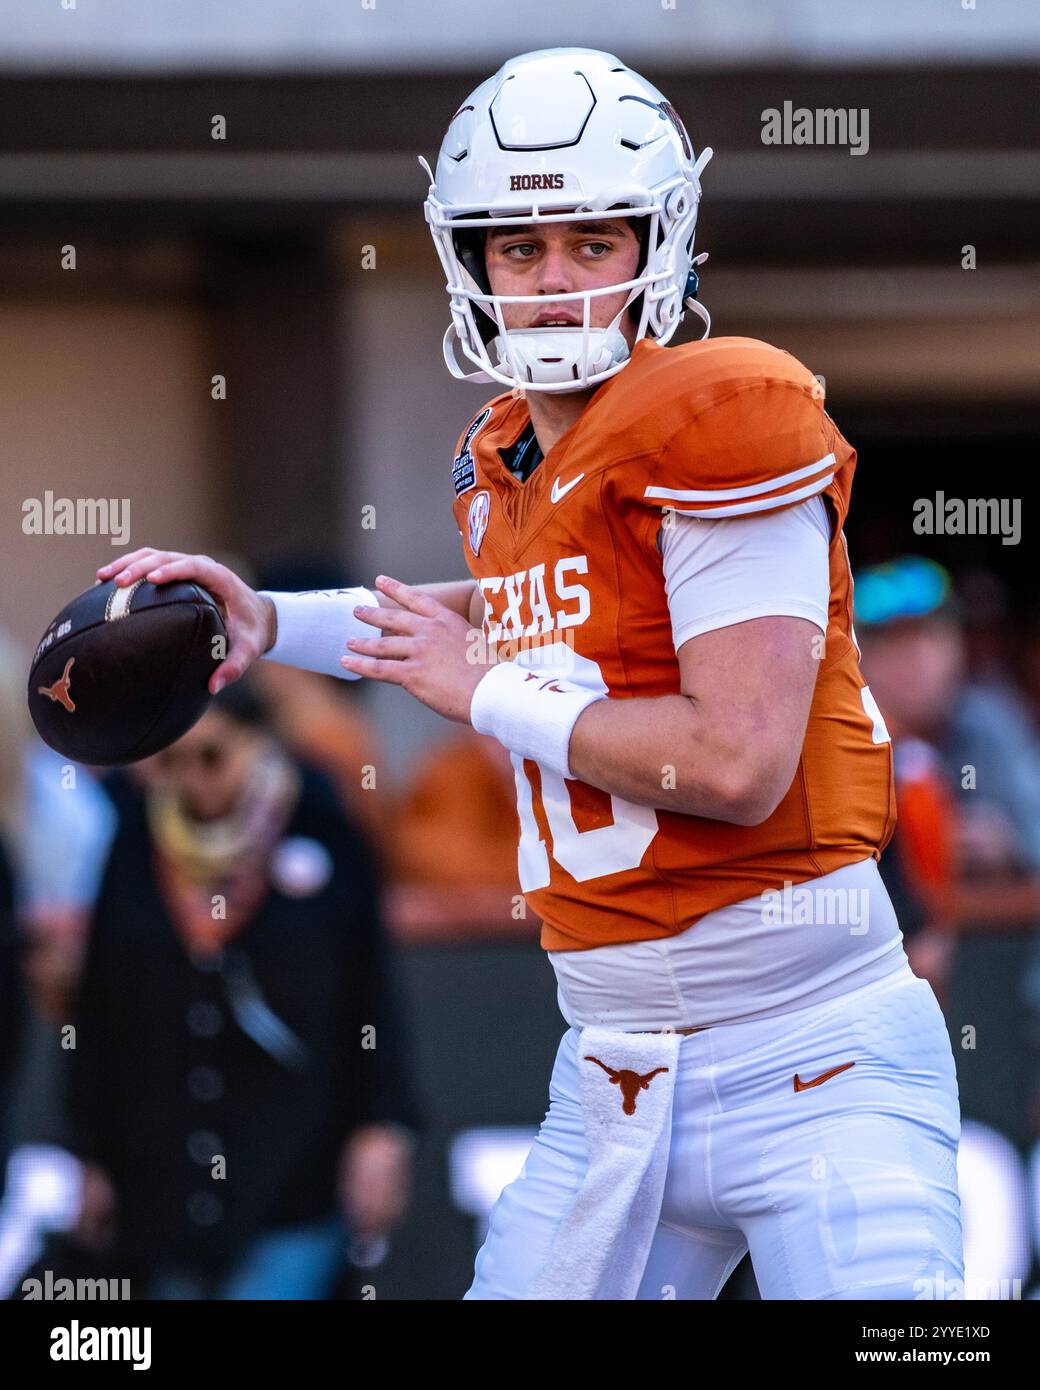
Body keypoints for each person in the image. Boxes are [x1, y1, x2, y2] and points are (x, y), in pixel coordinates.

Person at [96, 48, 963, 1300]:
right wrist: (267, 623)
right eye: (518, 248)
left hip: (809, 1050)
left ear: (656, 247)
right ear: (471, 265)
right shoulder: (505, 453)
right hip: (612, 1064)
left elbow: (736, 756)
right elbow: (509, 615)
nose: (553, 282)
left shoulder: (722, 409)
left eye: (590, 241)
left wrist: (485, 690)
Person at [66, 677, 419, 1299]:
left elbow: (371, 999)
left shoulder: (324, 827)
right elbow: (99, 1009)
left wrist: (382, 1127)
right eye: (171, 760)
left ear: (261, 746)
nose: (193, 779)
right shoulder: (133, 843)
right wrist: (88, 1151)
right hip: (163, 1178)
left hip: (293, 1170)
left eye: (212, 756)